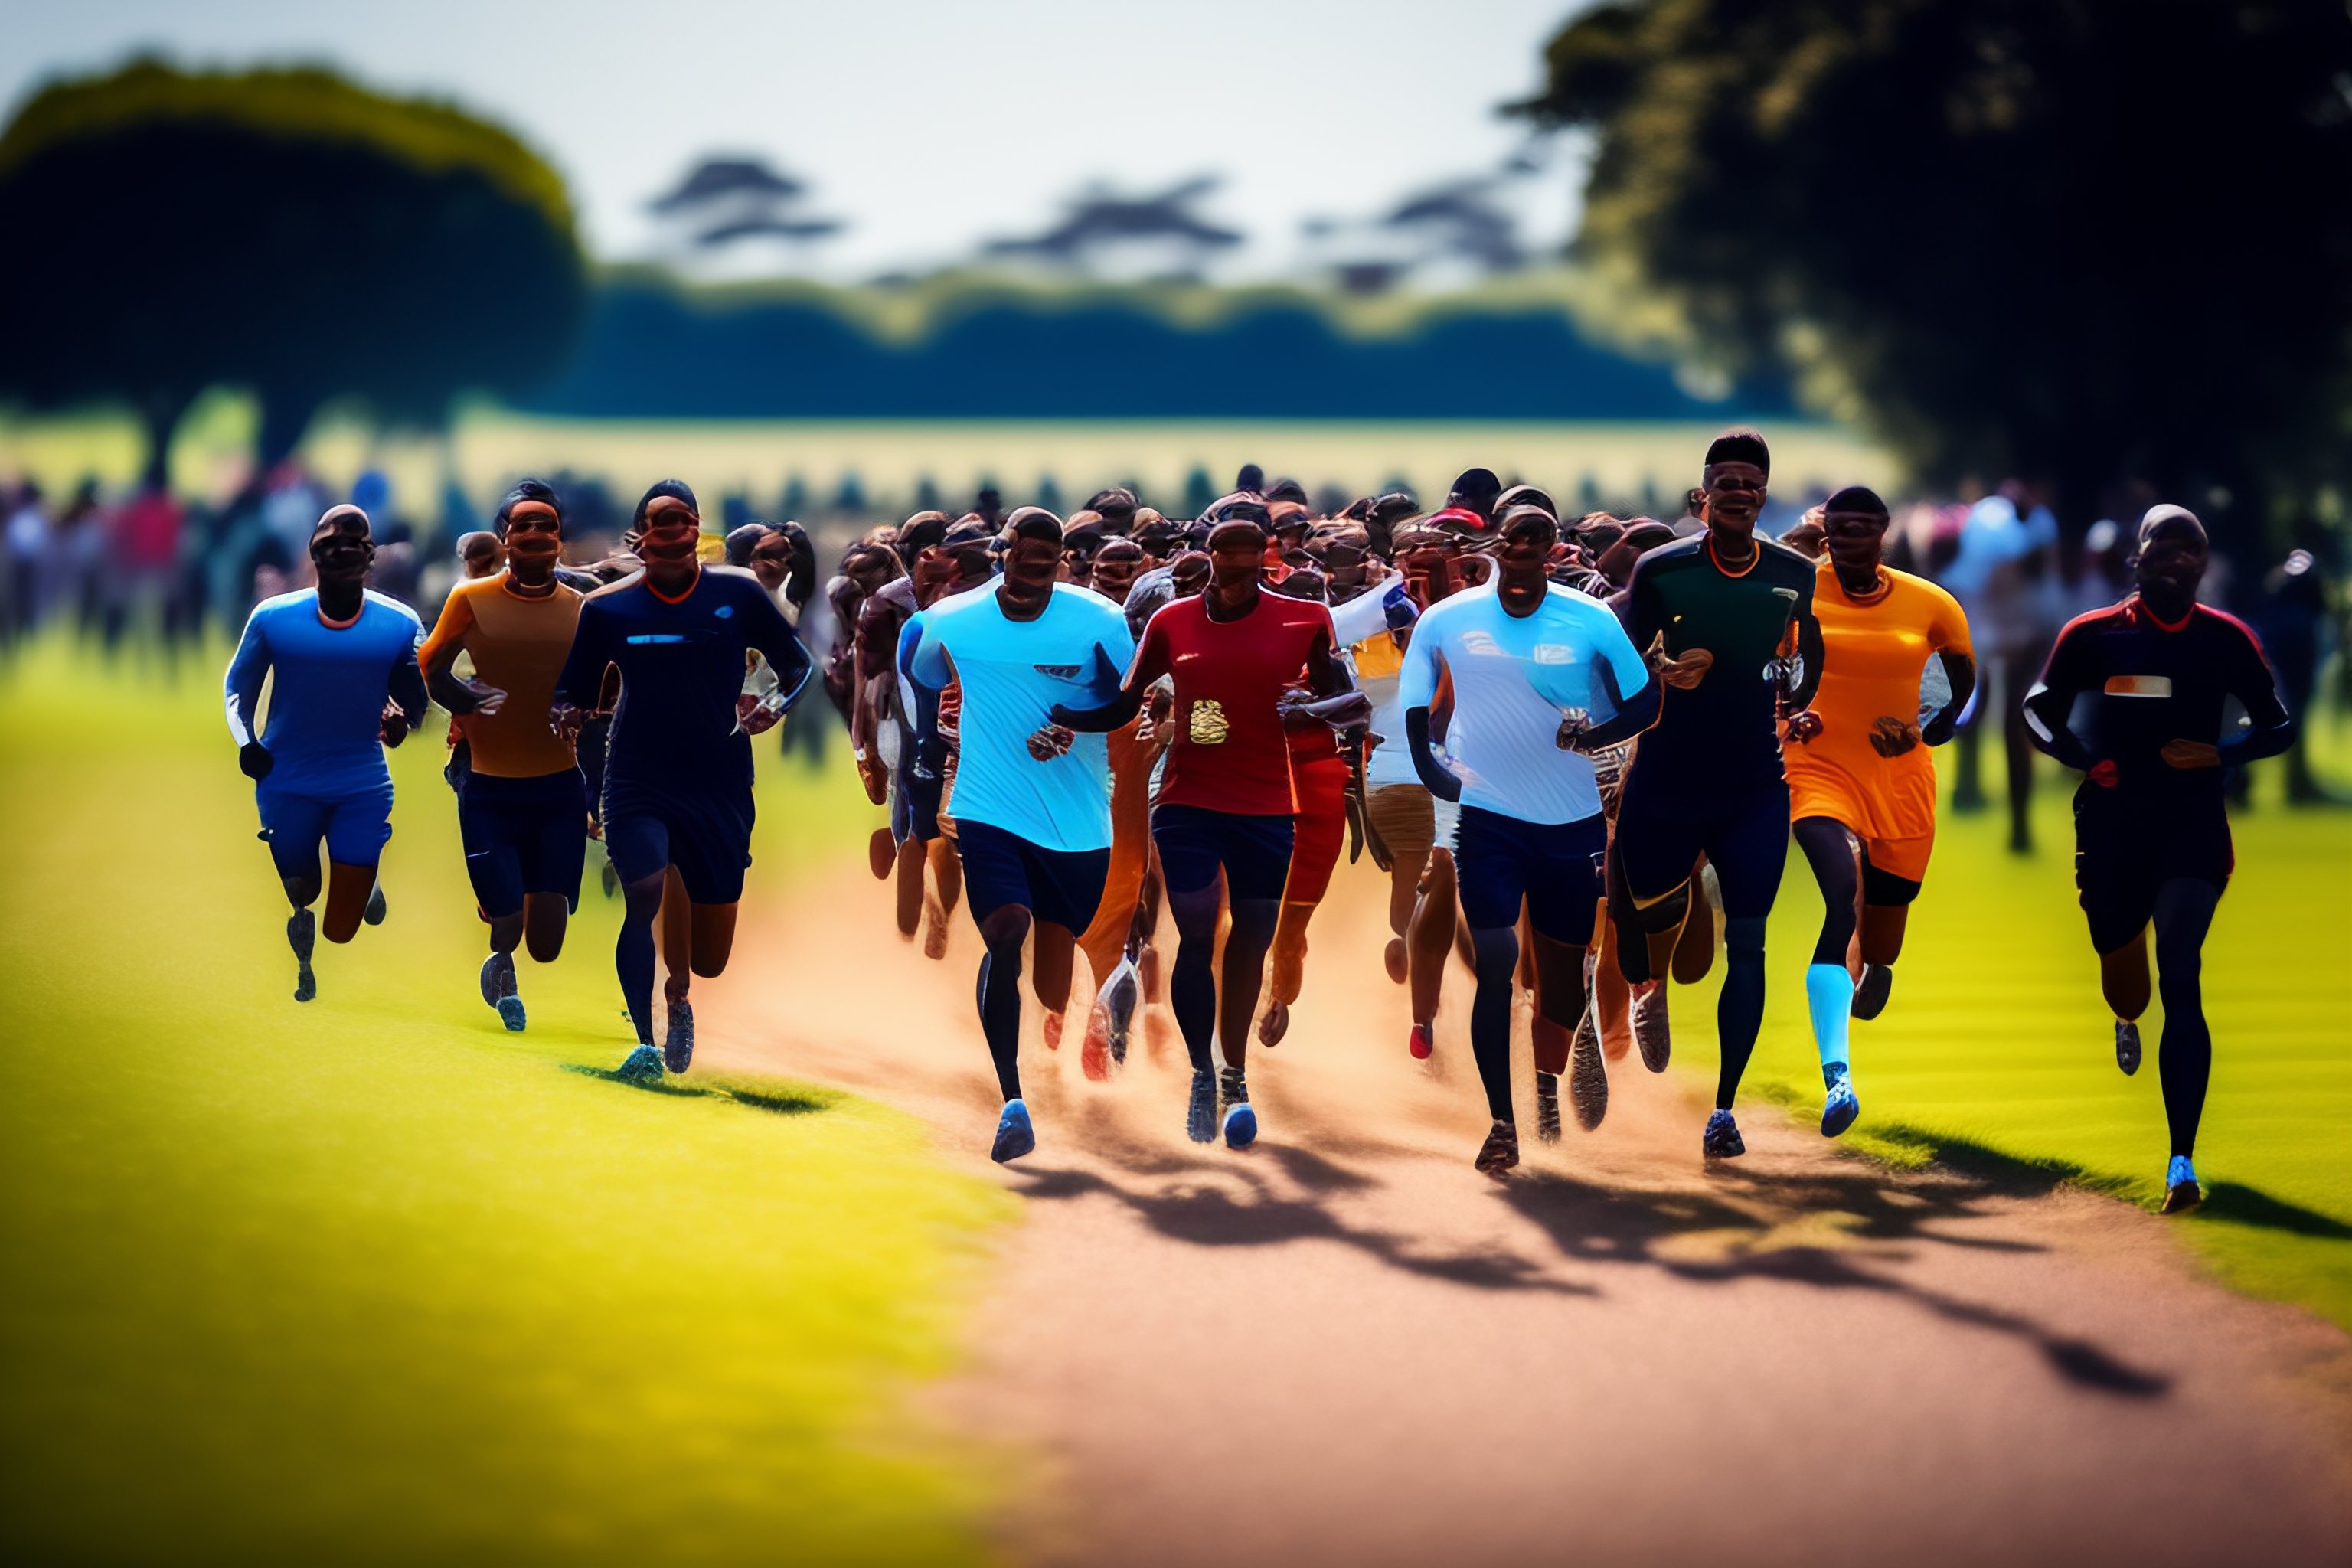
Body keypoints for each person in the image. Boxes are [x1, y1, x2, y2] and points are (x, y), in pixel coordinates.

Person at [2024, 505, 2294, 1213]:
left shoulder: (2226, 639)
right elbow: (2035, 709)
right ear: (2136, 560)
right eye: (2164, 550)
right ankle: (2123, 1011)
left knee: (2181, 966)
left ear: (2205, 565)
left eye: (2191, 552)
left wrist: (2221, 751)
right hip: (2112, 829)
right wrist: (2086, 759)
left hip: (2193, 830)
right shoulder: (2093, 636)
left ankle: (2180, 1159)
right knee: (2129, 980)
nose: (2177, 562)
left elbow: (2277, 725)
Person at [1054, 507, 1348, 1148]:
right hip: (1188, 802)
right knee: (1193, 932)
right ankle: (1202, 1074)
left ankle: (1235, 1069)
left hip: (1270, 803)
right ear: (1211, 557)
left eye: (1249, 554)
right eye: (1225, 553)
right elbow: (1129, 700)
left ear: (1263, 557)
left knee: (1249, 942)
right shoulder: (1170, 620)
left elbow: (1346, 699)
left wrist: (1309, 708)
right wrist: (1065, 715)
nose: (1236, 565)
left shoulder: (1305, 619)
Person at [1402, 505, 1657, 1173]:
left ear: (1553, 550)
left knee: (1563, 984)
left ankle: (1545, 1088)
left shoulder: (1591, 619)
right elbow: (1413, 699)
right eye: (1513, 536)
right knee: (1495, 965)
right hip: (1487, 819)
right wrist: (1430, 766)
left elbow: (1644, 700)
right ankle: (1501, 1123)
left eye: (1538, 538)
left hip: (1571, 824)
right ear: (1494, 545)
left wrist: (1594, 739)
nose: (1523, 548)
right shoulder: (1449, 619)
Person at [551, 480, 811, 1081]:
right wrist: (565, 712)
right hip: (638, 775)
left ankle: (682, 992)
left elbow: (799, 665)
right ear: (640, 536)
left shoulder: (738, 595)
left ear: (698, 531)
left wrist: (773, 704)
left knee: (712, 956)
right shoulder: (609, 608)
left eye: (681, 520)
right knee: (643, 891)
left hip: (718, 779)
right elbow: (575, 690)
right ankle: (645, 1039)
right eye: (657, 522)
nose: (669, 531)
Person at [1610, 430, 1823, 1158]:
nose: (1737, 491)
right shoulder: (1661, 569)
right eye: (1723, 480)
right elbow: (1617, 658)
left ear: (1763, 495)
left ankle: (1724, 1109)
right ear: (1704, 496)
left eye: (1749, 481)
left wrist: (1799, 697)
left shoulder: (1795, 572)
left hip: (1753, 785)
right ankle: (1647, 989)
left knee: (1751, 943)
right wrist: (1659, 668)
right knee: (1633, 910)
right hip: (1666, 774)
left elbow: (1808, 656)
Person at [904, 509, 1135, 1160]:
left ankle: (1092, 1003)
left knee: (1053, 975)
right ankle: (1012, 1100)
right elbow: (922, 672)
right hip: (989, 807)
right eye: (1027, 560)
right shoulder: (953, 619)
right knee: (1004, 934)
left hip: (1077, 821)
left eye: (1050, 563)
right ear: (1004, 554)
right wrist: (928, 743)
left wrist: (1071, 723)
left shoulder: (1098, 620)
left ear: (1063, 561)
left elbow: (1131, 699)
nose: (1037, 575)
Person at [1780, 486, 1975, 1135]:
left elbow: (1960, 691)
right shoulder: (1797, 591)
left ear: (1885, 532)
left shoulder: (1931, 603)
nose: (1851, 537)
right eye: (1840, 527)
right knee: (1841, 892)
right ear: (1826, 531)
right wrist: (1786, 716)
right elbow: (1765, 670)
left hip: (1899, 781)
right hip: (1815, 768)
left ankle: (1876, 965)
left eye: (1865, 526)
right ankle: (1839, 1077)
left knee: (1882, 931)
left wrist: (1928, 730)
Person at [224, 504, 427, 1001]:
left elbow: (417, 693)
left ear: (370, 555)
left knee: (341, 926)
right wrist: (247, 743)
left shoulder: (399, 624)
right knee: (303, 891)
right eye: (329, 543)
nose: (341, 551)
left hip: (360, 780)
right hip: (286, 777)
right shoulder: (273, 618)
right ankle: (304, 946)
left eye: (354, 543)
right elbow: (237, 690)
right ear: (313, 553)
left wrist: (404, 723)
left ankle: (366, 872)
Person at [419, 480, 590, 1031]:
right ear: (504, 538)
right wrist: (467, 700)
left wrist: (585, 714)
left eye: (548, 527)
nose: (537, 536)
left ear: (562, 541)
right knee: (510, 918)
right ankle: (499, 954)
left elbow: (606, 682)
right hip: (490, 784)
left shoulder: (582, 608)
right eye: (524, 527)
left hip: (560, 786)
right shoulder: (470, 601)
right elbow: (431, 667)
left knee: (548, 942)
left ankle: (506, 910)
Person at [1072, 536, 1168, 1072]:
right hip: (1132, 833)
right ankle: (1104, 1018)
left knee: (1076, 934)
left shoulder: (1091, 671)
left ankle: (1082, 1014)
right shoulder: (1160, 689)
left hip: (1094, 830)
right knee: (1126, 941)